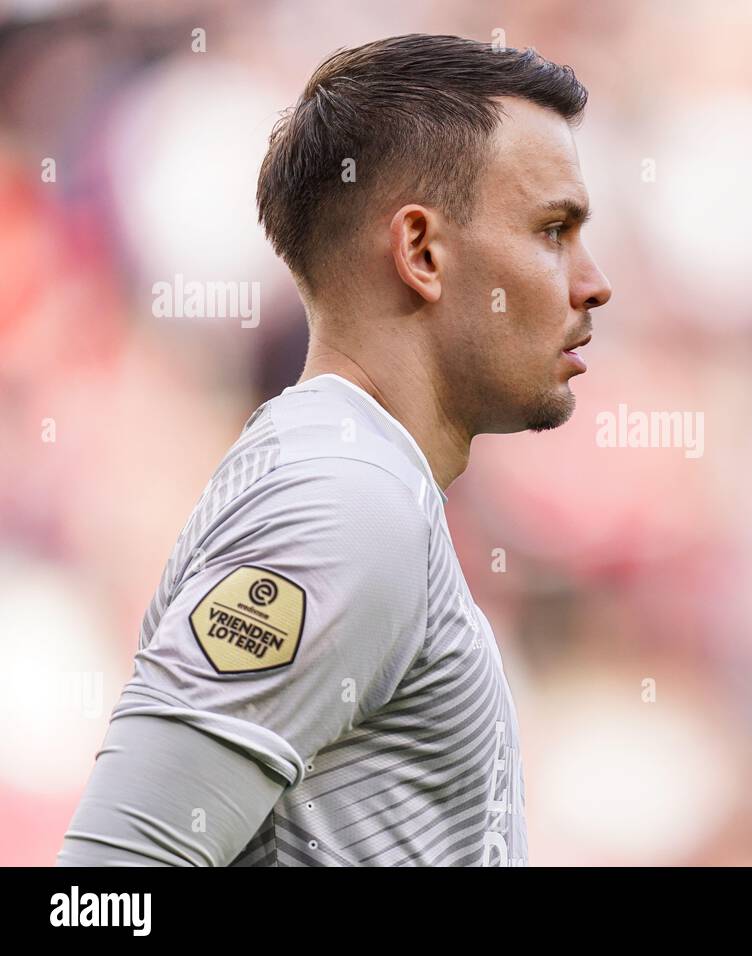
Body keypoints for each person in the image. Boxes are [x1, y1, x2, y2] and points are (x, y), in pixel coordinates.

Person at [56, 33, 612, 867]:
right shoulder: (341, 500)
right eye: (553, 230)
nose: (593, 283)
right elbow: (106, 888)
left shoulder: (360, 481)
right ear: (421, 252)